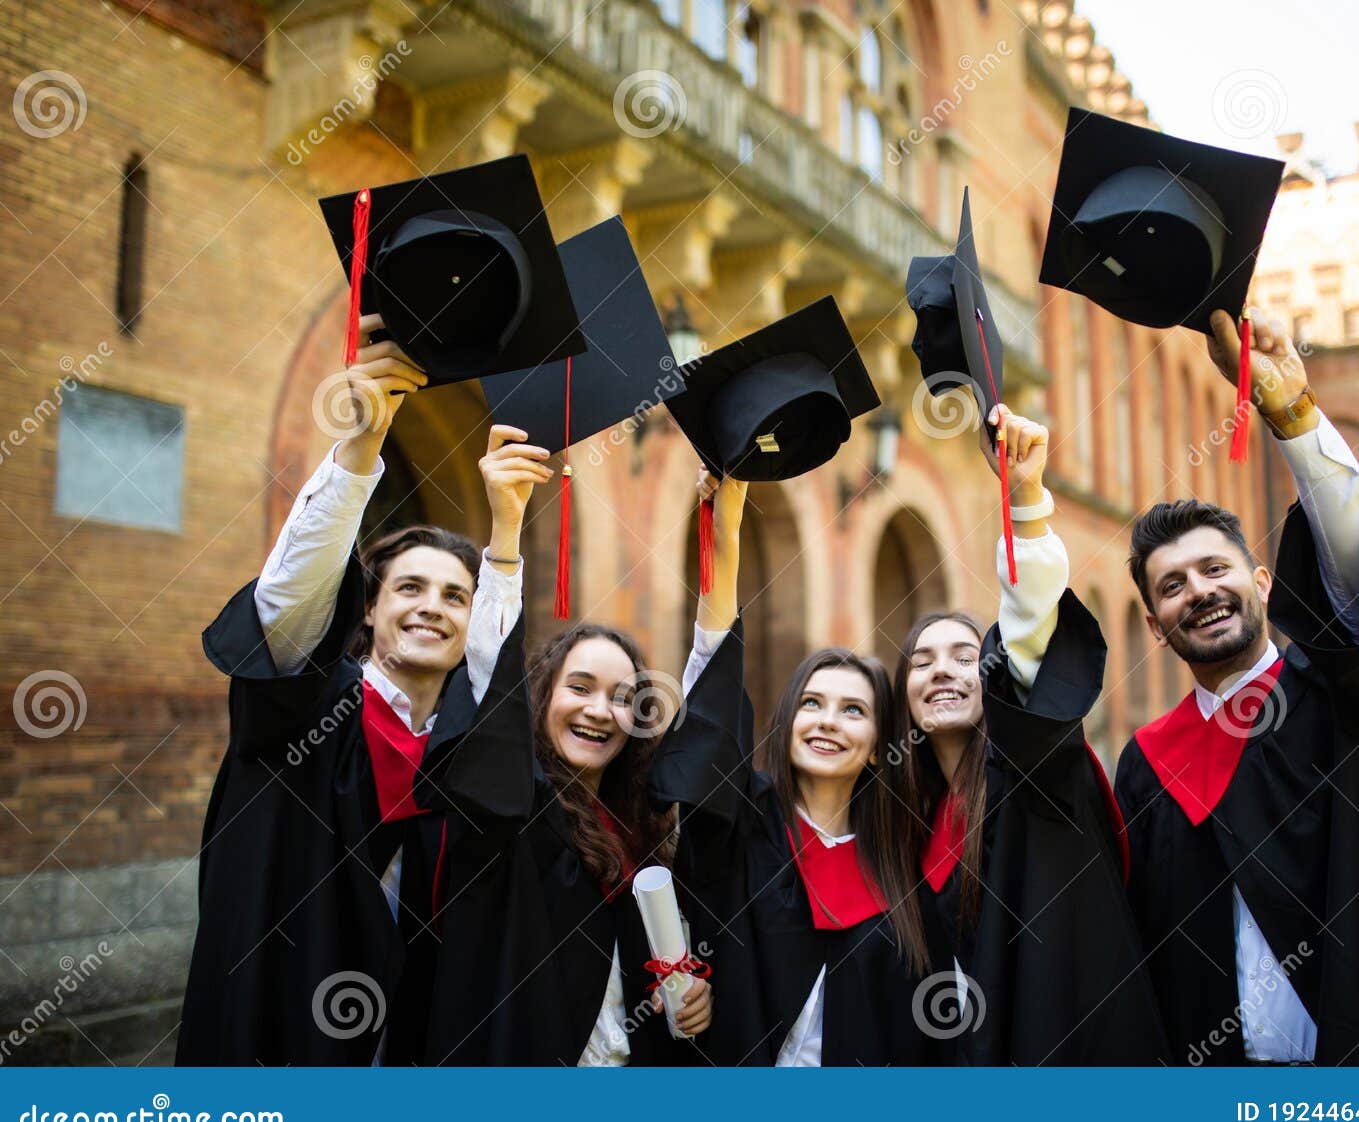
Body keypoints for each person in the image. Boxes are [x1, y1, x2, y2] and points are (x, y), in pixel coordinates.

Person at [177, 314, 549, 1064]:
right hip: (274, 1042)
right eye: (410, 586)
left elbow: (494, 681)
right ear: (368, 609)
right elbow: (287, 607)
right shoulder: (306, 711)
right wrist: (359, 449)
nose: (432, 607)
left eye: (455, 596)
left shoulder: (466, 760)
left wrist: (505, 535)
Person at [1112, 310, 1359, 1066]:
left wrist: (1292, 417)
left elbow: (1358, 576)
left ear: (1263, 583)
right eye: (1172, 585)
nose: (1199, 592)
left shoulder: (1343, 699)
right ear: (1153, 622)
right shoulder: (1147, 766)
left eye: (1216, 569)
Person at [893, 406, 1170, 1065]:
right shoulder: (906, 813)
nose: (942, 671)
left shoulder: (1039, 771)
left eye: (964, 655)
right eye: (921, 661)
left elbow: (1026, 636)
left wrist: (1025, 504)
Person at [652, 471, 938, 1066]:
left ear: (880, 737)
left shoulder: (900, 858)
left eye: (853, 710)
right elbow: (714, 706)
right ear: (787, 721)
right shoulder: (744, 826)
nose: (828, 721)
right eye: (812, 703)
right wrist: (726, 533)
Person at [420, 619, 714, 1064]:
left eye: (621, 699)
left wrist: (691, 993)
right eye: (580, 688)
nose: (599, 711)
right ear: (541, 697)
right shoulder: (514, 810)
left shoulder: (643, 836)